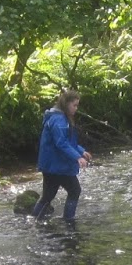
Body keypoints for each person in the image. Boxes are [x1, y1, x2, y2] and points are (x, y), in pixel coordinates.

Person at [33, 89, 91, 224]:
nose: (76, 109)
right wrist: (77, 157)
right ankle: (69, 220)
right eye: (74, 105)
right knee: (75, 190)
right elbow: (61, 143)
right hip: (57, 165)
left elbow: (69, 141)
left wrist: (81, 151)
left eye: (77, 105)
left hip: (52, 165)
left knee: (47, 196)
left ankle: (33, 220)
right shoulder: (59, 120)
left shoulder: (59, 118)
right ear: (66, 104)